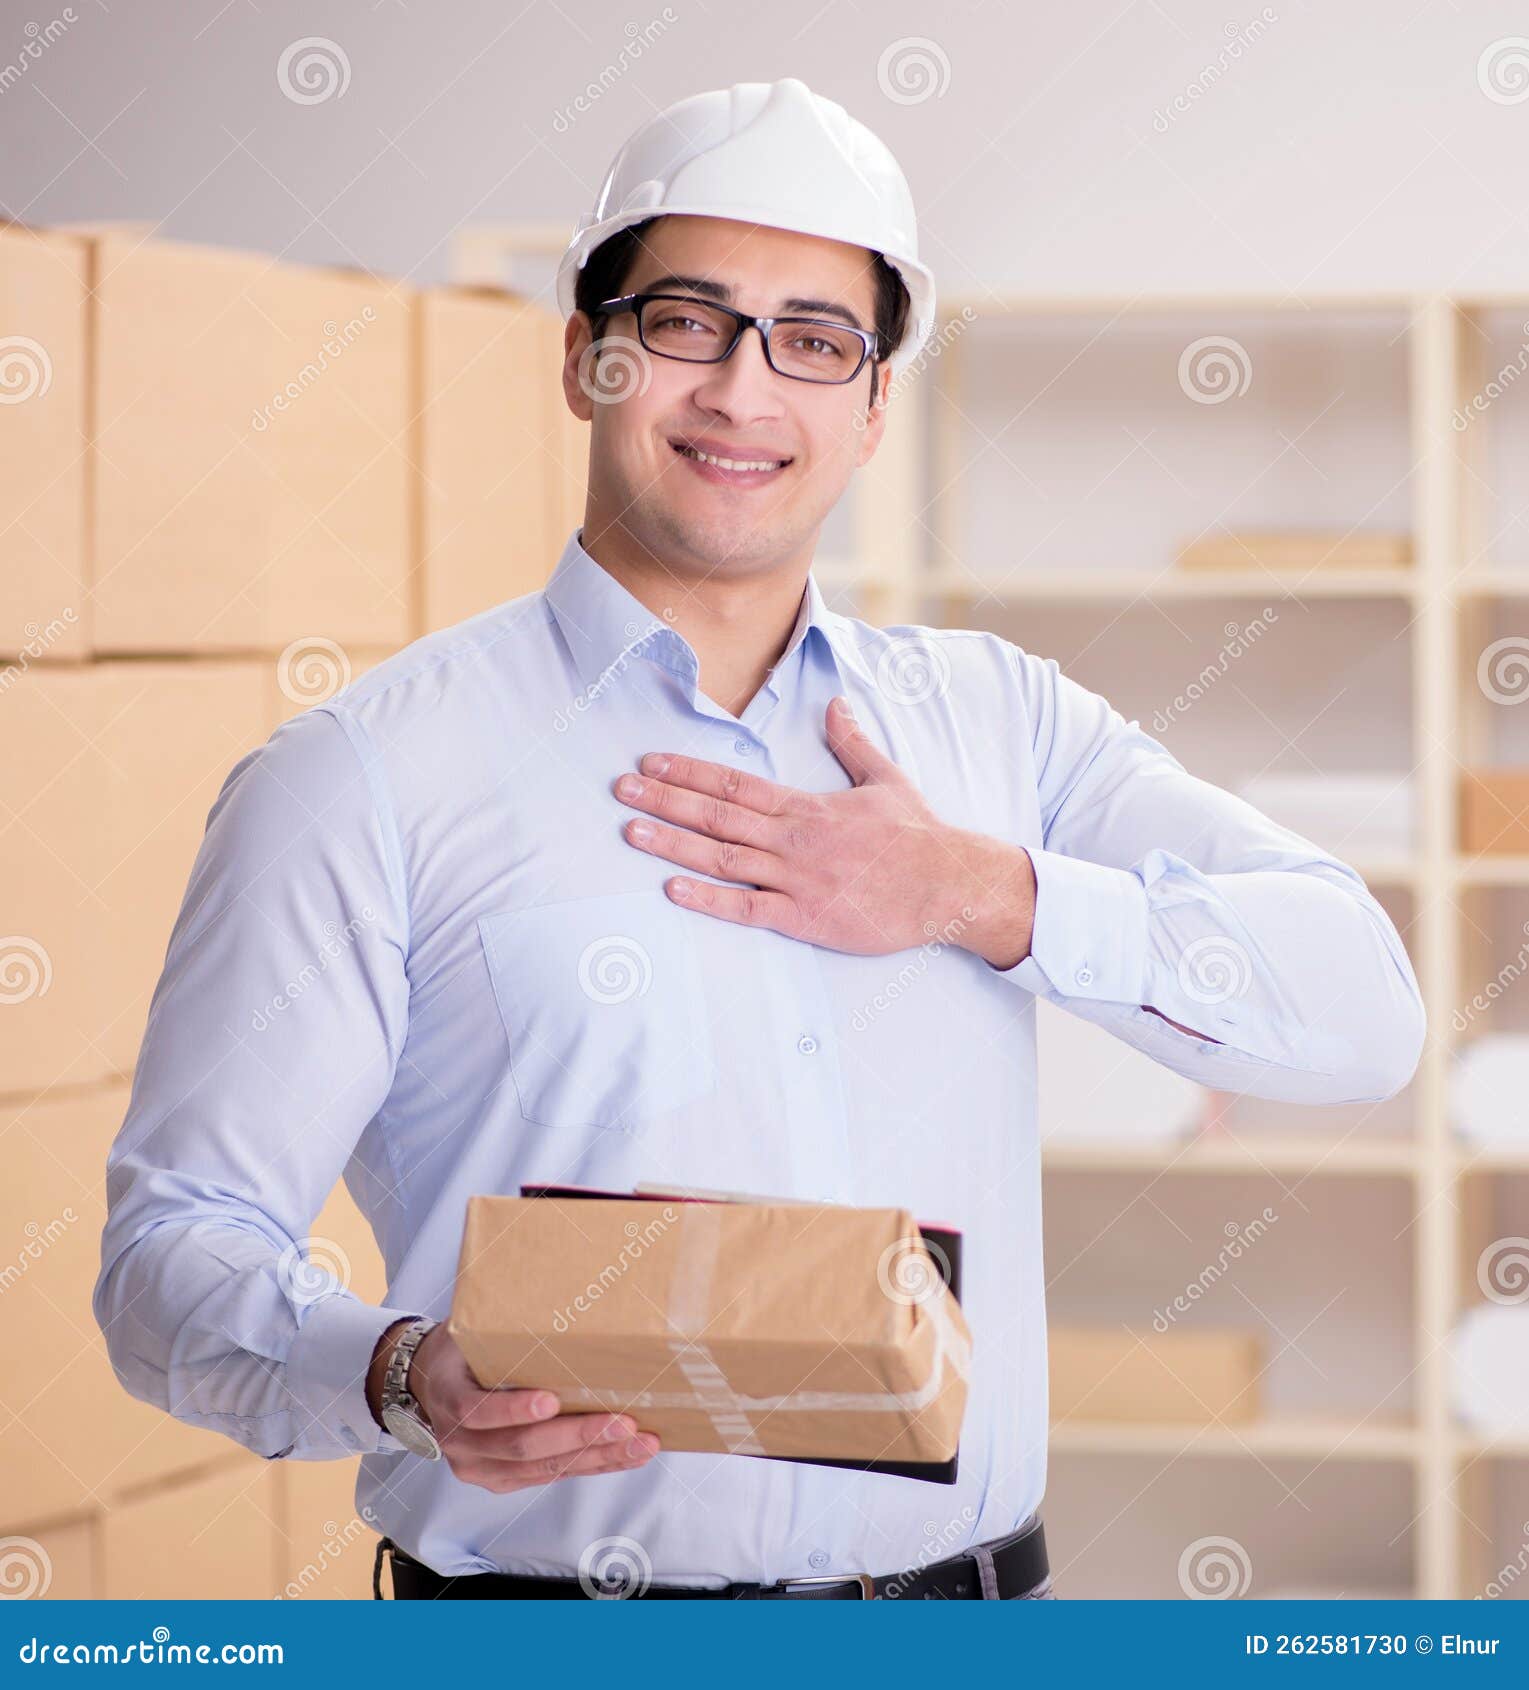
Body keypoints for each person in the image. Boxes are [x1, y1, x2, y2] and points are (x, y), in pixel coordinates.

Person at [94, 76, 1425, 1601]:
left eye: (813, 340)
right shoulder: (362, 777)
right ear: (586, 356)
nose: (742, 391)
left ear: (870, 408)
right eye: (685, 322)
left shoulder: (1003, 727)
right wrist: (396, 1372)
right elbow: (170, 1256)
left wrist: (977, 891)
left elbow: (1364, 1010)